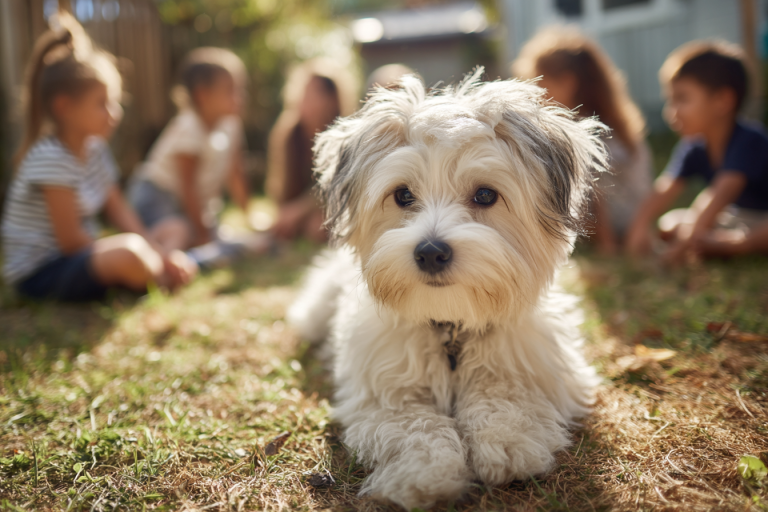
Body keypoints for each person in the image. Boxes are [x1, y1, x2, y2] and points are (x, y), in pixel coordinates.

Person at [1, 13, 195, 302]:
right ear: (64, 106)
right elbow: (70, 241)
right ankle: (159, 273)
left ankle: (155, 269)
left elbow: (120, 211)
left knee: (175, 227)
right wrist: (145, 252)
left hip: (80, 257)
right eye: (101, 104)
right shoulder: (50, 156)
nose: (114, 113)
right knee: (129, 253)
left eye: (115, 102)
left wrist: (156, 249)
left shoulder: (95, 151)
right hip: (44, 272)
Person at [513, 27, 653, 254]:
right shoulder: (608, 120)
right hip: (629, 218)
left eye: (541, 86)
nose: (537, 96)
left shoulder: (595, 129)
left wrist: (607, 246)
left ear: (568, 83)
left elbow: (599, 190)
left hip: (624, 220)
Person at [626, 40, 768, 262]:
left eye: (681, 99)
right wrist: (639, 227)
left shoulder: (749, 140)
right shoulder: (693, 146)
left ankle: (737, 246)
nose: (671, 112)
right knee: (669, 223)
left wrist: (677, 252)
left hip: (761, 221)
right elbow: (663, 189)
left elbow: (718, 196)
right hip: (735, 219)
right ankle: (716, 245)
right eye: (669, 101)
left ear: (723, 100)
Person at [129, 47, 251, 253]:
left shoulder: (231, 125)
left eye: (239, 89)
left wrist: (248, 215)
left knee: (211, 233)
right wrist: (203, 235)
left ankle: (194, 242)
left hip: (188, 203)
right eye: (230, 90)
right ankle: (172, 251)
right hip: (157, 195)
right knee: (186, 233)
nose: (239, 97)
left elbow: (235, 173)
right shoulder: (189, 127)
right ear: (202, 95)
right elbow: (188, 186)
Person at [266, 58, 358, 242]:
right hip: (296, 207)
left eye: (313, 94)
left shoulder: (346, 137)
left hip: (333, 207)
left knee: (317, 226)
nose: (303, 100)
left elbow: (336, 187)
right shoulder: (288, 133)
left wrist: (299, 211)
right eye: (303, 92)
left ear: (332, 100)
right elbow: (280, 185)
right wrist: (285, 214)